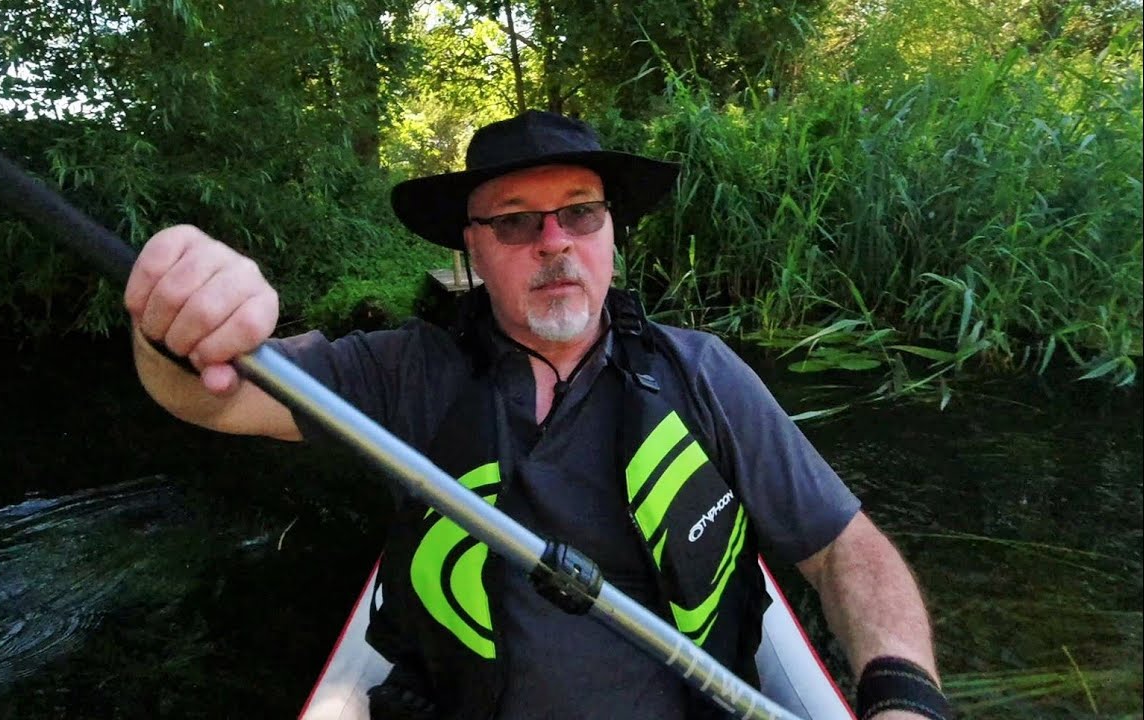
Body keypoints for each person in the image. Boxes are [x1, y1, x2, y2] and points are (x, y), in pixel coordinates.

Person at [124, 110, 951, 720]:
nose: (554, 240)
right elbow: (205, 397)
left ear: (610, 235)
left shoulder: (703, 376)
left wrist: (903, 695)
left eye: (581, 212)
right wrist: (173, 324)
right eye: (516, 221)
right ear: (471, 252)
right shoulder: (403, 373)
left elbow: (847, 551)